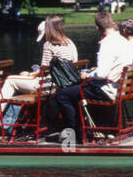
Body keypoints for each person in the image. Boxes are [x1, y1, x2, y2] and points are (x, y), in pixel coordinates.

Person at [0, 15, 77, 126]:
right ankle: (18, 120)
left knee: (10, 80)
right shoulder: (69, 43)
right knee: (21, 80)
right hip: (65, 85)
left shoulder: (48, 45)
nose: (43, 39)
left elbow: (44, 71)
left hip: (48, 86)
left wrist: (29, 74)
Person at [55, 12, 128, 140]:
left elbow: (102, 73)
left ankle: (76, 135)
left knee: (63, 95)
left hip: (107, 90)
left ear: (97, 28)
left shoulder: (107, 43)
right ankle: (90, 129)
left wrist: (87, 74)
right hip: (119, 87)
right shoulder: (123, 40)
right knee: (75, 90)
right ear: (113, 24)